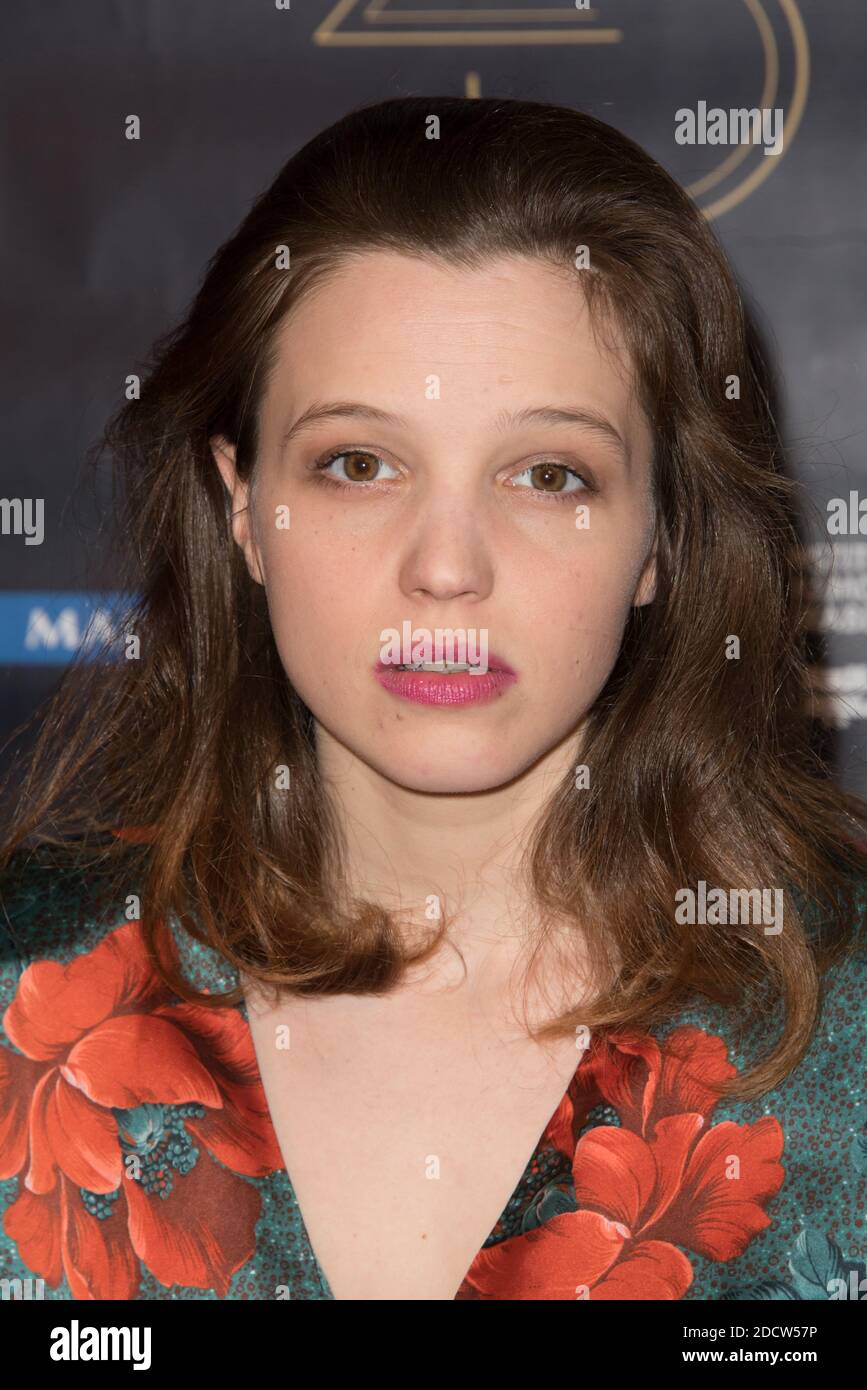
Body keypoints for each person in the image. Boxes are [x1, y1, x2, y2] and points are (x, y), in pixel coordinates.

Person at [0, 96, 865, 1303]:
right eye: (359, 463)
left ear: (661, 535)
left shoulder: (844, 1026)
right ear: (245, 506)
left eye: (550, 473)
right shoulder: (18, 980)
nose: (447, 565)